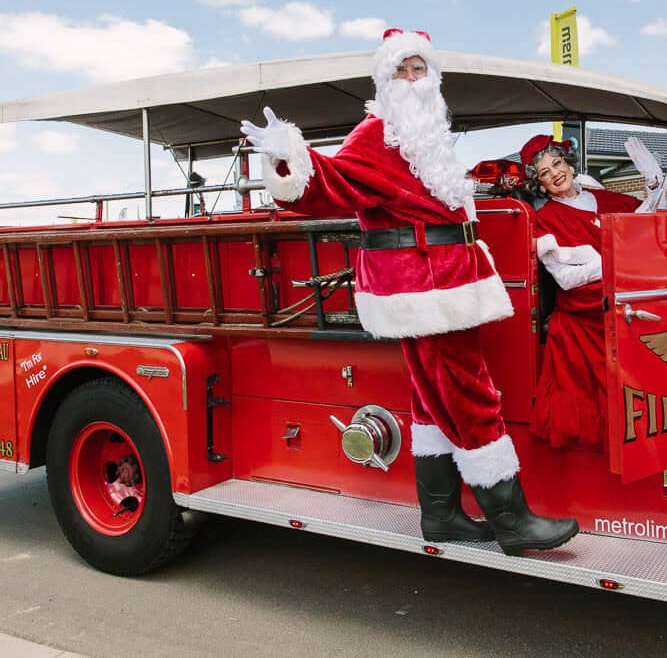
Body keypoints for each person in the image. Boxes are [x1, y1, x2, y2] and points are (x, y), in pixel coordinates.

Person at [240, 28, 578, 554]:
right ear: (385, 79)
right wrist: (292, 159)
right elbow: (330, 182)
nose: (413, 79)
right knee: (469, 394)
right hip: (424, 285)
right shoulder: (377, 132)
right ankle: (512, 522)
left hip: (442, 279)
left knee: (430, 398)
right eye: (402, 70)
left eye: (420, 69)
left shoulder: (425, 137)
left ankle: (440, 515)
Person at [520, 134, 661, 451]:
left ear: (568, 163)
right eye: (545, 172)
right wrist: (605, 263)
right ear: (540, 183)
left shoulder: (606, 199)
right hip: (584, 322)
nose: (556, 173)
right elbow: (566, 280)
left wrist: (654, 185)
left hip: (624, 306)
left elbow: (643, 223)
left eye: (557, 164)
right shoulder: (546, 219)